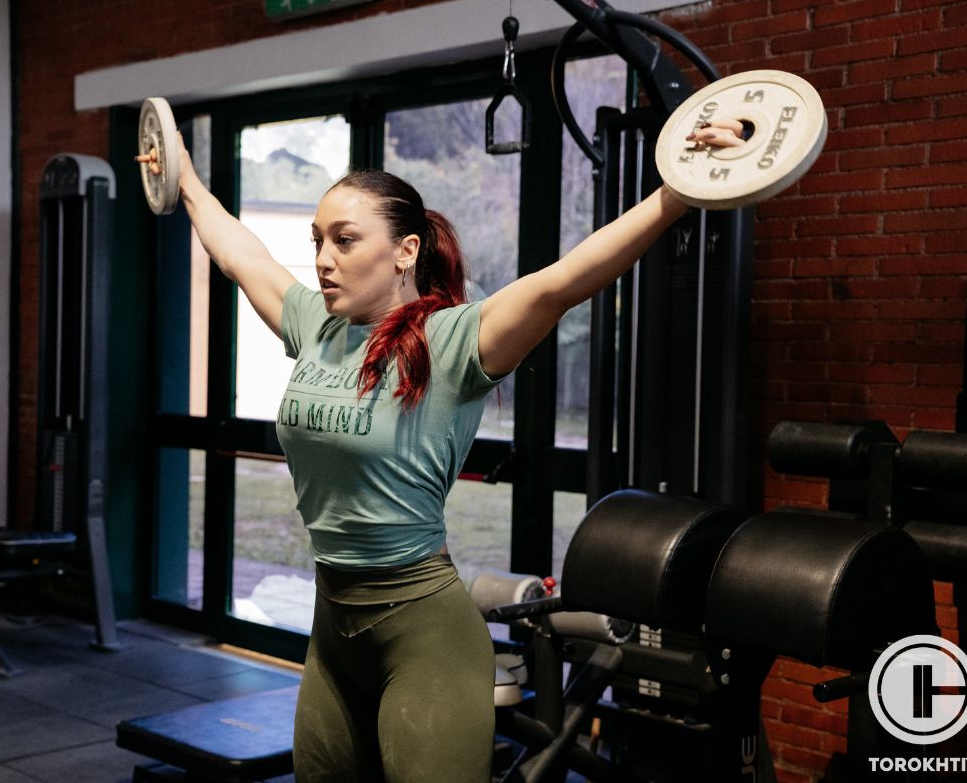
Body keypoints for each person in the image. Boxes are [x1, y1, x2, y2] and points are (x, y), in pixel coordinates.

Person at [151, 118, 742, 783]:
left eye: (345, 241)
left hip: (424, 633)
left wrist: (678, 192)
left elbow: (564, 281)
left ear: (405, 252)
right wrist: (187, 182)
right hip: (333, 627)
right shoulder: (313, 324)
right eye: (318, 240)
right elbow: (240, 255)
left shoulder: (456, 340)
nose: (322, 258)